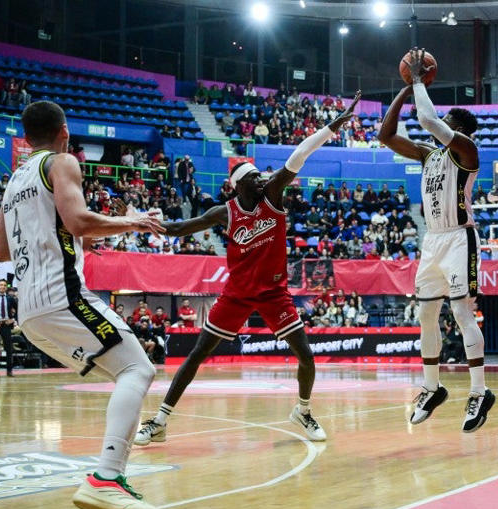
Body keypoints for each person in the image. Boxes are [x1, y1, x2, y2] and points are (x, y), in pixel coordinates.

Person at [132, 91, 362, 448]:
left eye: (261, 175)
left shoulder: (273, 193)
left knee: (305, 354)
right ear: (239, 185)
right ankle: (160, 420)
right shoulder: (223, 212)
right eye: (254, 176)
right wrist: (140, 223)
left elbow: (300, 154)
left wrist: (331, 127)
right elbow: (179, 229)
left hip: (273, 292)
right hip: (237, 292)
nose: (262, 178)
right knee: (198, 354)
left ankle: (302, 410)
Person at [0, 101, 164, 509]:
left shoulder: (13, 182)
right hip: (61, 296)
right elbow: (78, 222)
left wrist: (79, 238)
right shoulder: (62, 162)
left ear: (25, 136)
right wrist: (134, 222)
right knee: (138, 369)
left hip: (30, 311)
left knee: (125, 373)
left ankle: (108, 477)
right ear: (64, 132)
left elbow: (1, 248)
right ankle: (106, 477)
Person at [378, 48, 494, 432]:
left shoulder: (466, 151)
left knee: (461, 313)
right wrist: (404, 88)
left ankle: (479, 392)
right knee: (426, 314)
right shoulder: (428, 155)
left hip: (461, 238)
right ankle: (432, 387)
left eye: (446, 122)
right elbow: (386, 135)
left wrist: (416, 81)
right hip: (433, 241)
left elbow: (426, 117)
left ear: (457, 129)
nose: (436, 124)